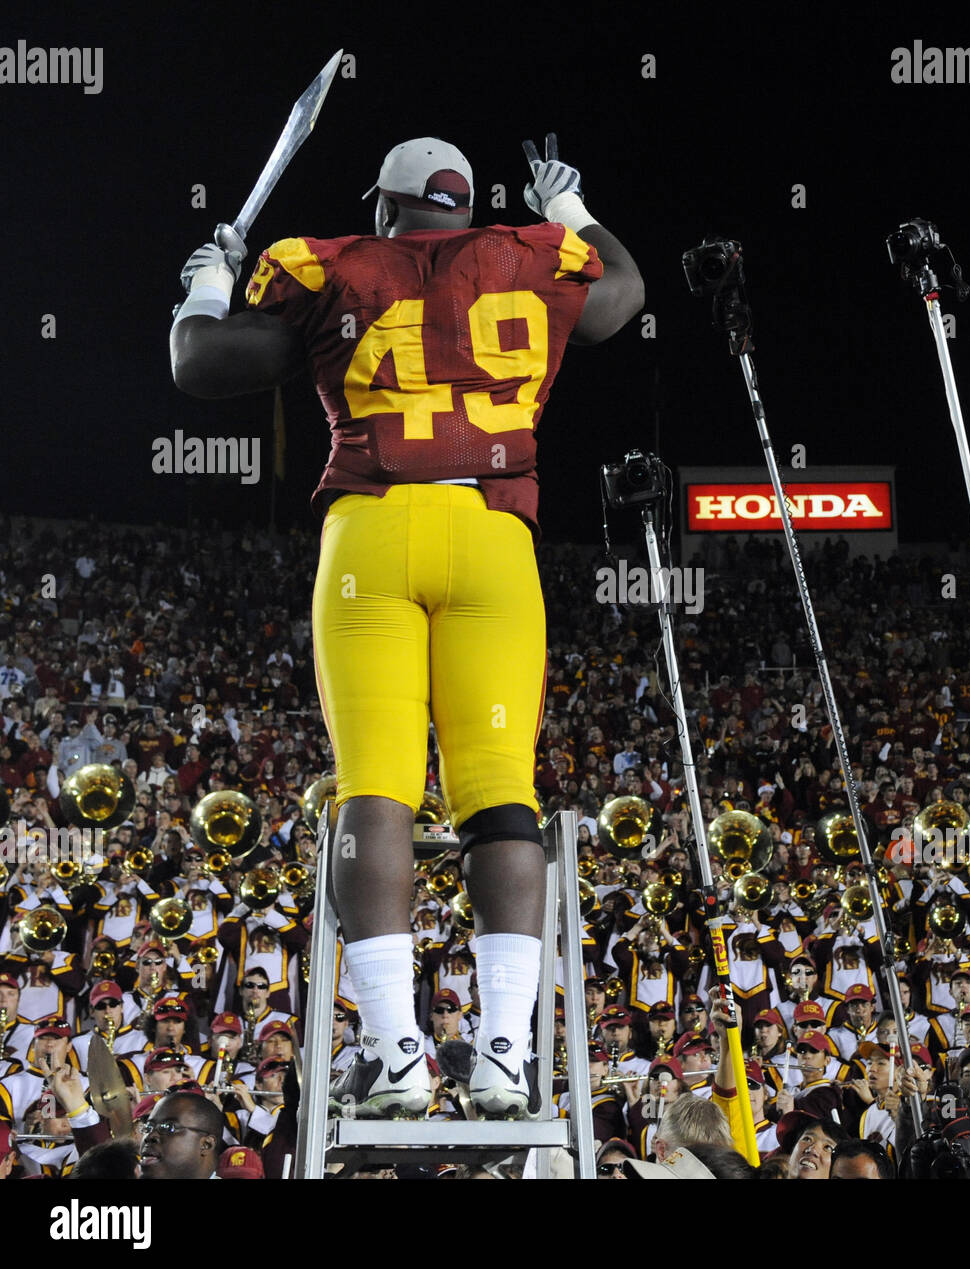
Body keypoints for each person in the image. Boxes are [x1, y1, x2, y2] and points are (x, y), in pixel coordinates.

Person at [171, 133, 642, 1120]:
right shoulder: (522, 256)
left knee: (374, 792)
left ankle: (394, 1050)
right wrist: (571, 210)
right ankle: (506, 1054)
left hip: (372, 532)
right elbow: (623, 297)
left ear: (384, 208)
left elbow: (200, 363)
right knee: (500, 798)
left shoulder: (335, 263)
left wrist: (206, 288)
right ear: (466, 209)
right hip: (491, 536)